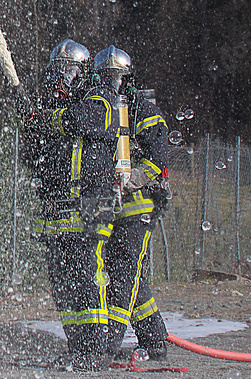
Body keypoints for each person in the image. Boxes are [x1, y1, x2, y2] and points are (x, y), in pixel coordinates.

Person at [22, 39, 117, 371]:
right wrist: (28, 123)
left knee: (88, 279)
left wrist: (44, 118)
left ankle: (95, 350)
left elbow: (80, 121)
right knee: (62, 287)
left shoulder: (101, 98)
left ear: (85, 71)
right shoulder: (50, 106)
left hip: (89, 208)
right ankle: (76, 347)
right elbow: (32, 159)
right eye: (60, 70)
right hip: (56, 213)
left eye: (71, 70)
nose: (65, 77)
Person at [92, 46, 171, 362]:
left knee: (124, 273)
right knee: (127, 272)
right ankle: (154, 340)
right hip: (112, 206)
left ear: (128, 79)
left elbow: (159, 161)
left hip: (139, 205)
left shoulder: (144, 112)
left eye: (117, 77)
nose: (112, 84)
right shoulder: (101, 109)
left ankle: (107, 346)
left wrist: (132, 178)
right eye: (105, 77)